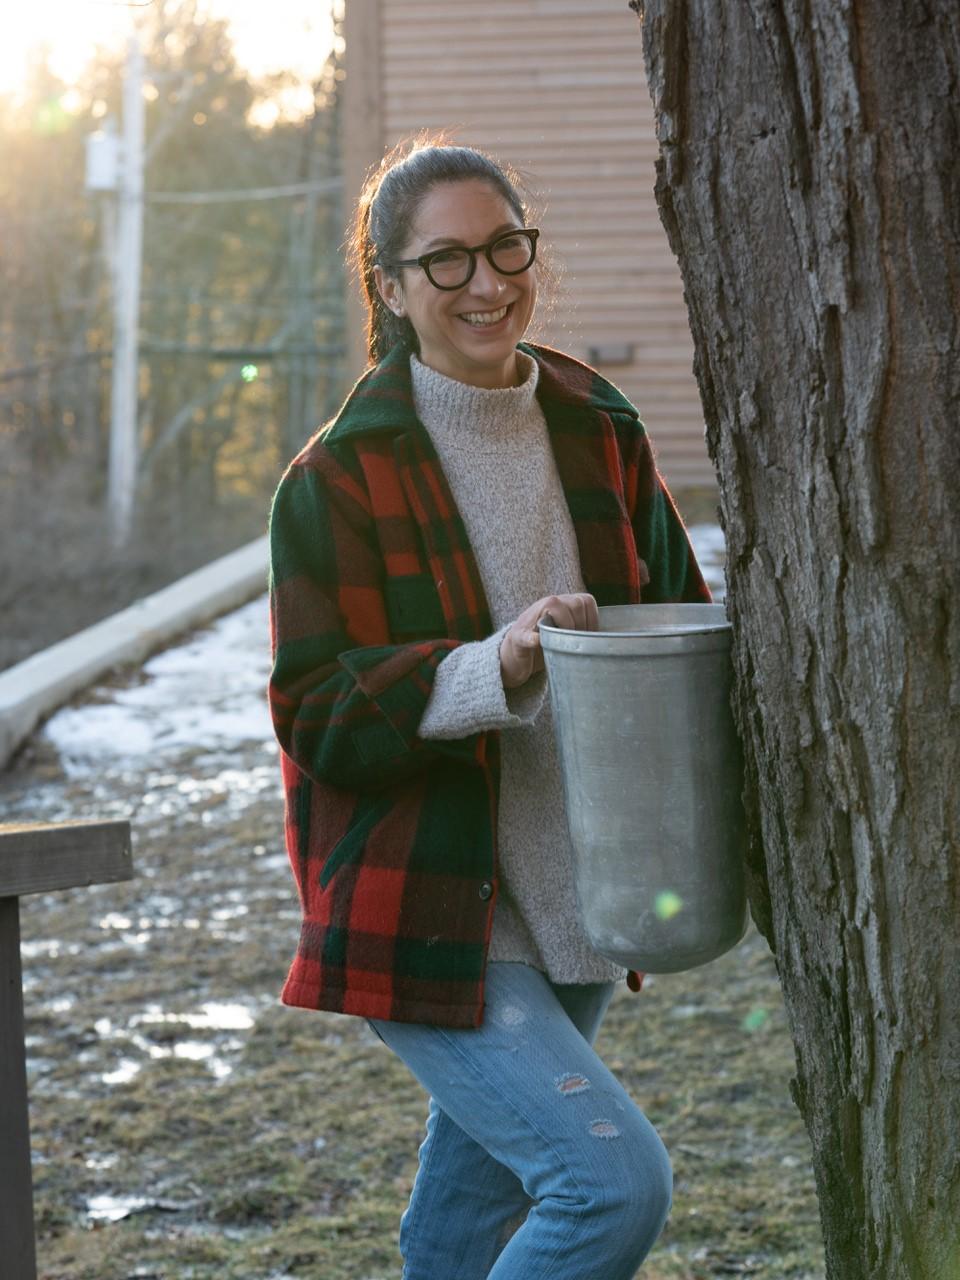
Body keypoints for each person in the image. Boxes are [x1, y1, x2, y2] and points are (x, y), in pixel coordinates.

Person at [268, 138, 710, 1280]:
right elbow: (315, 711)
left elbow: (677, 624)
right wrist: (486, 666)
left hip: (578, 893)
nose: (486, 281)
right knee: (610, 1185)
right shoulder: (338, 478)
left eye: (506, 245)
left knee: (466, 1227)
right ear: (393, 285)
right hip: (428, 901)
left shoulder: (597, 423)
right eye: (448, 259)